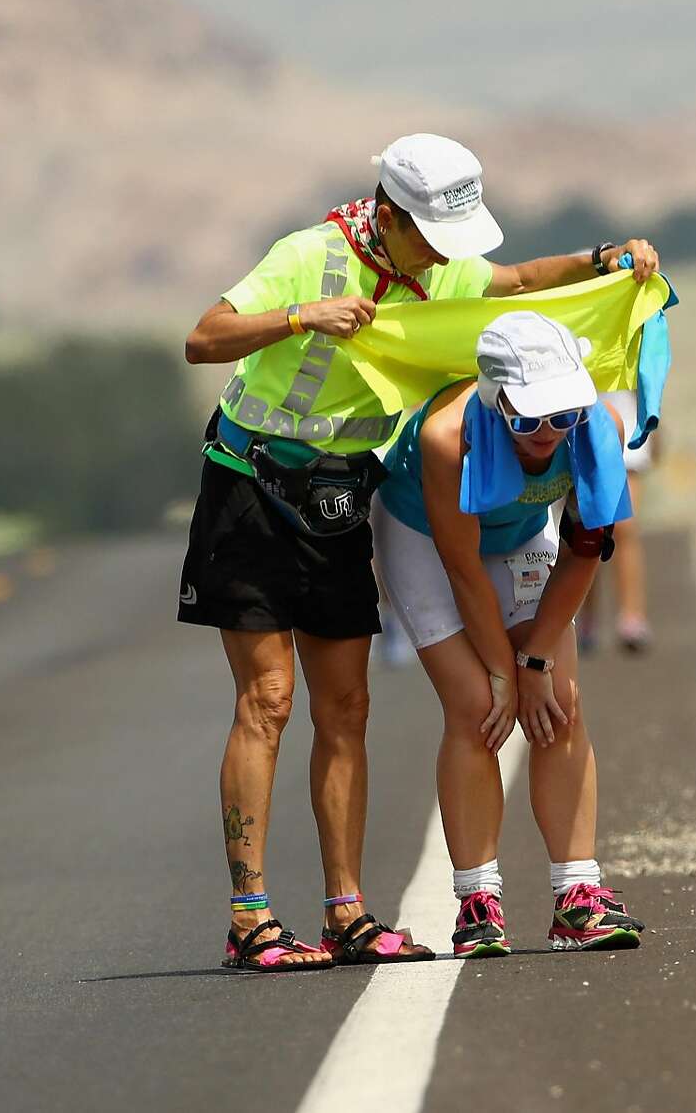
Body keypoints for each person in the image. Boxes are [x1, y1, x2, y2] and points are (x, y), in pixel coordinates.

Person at [179, 132, 657, 971]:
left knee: (348, 707)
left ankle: (348, 915)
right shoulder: (308, 255)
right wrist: (301, 317)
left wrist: (603, 258)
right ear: (390, 215)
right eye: (434, 234)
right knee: (269, 698)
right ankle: (250, 917)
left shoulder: (442, 268)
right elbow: (203, 337)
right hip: (249, 481)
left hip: (339, 492)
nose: (447, 255)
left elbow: (513, 284)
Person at [371, 312, 649, 957]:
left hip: (522, 536)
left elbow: (585, 549)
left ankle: (579, 897)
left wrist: (535, 662)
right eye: (526, 420)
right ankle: (476, 899)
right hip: (426, 540)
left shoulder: (597, 425)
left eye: (560, 415)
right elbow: (462, 568)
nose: (547, 433)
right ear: (496, 401)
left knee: (558, 707)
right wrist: (505, 671)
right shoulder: (449, 437)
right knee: (478, 709)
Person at [578, 388, 655, 655]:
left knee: (625, 525)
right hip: (583, 409)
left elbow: (646, 371)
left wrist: (656, 420)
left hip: (627, 412)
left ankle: (632, 617)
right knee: (591, 526)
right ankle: (587, 616)